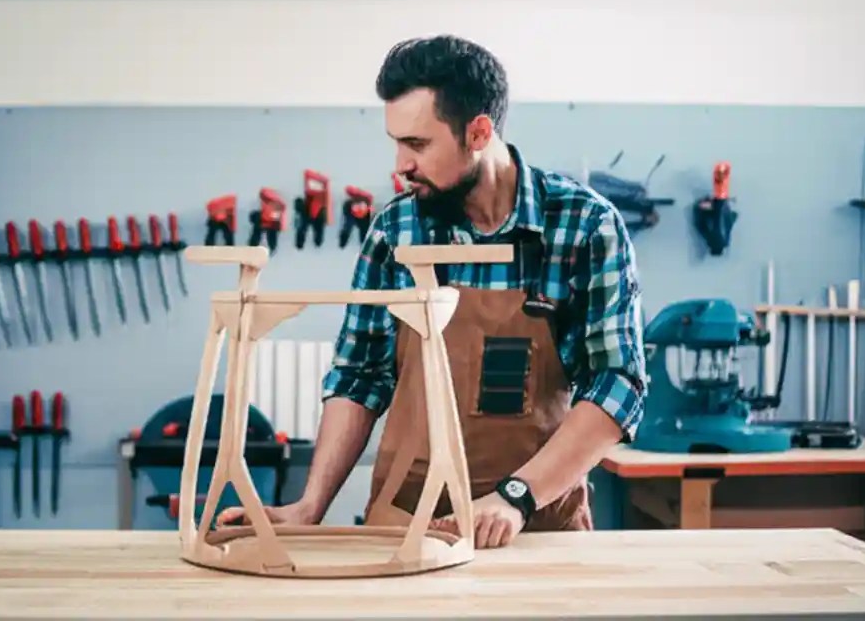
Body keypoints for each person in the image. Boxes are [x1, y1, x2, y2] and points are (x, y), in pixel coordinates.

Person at [218, 34, 648, 549]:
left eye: (417, 145)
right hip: (406, 523)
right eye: (396, 142)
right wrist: (310, 507)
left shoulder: (584, 226)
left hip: (535, 524)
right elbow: (360, 376)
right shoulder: (394, 231)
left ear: (479, 132)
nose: (399, 166)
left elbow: (618, 384)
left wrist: (515, 497)